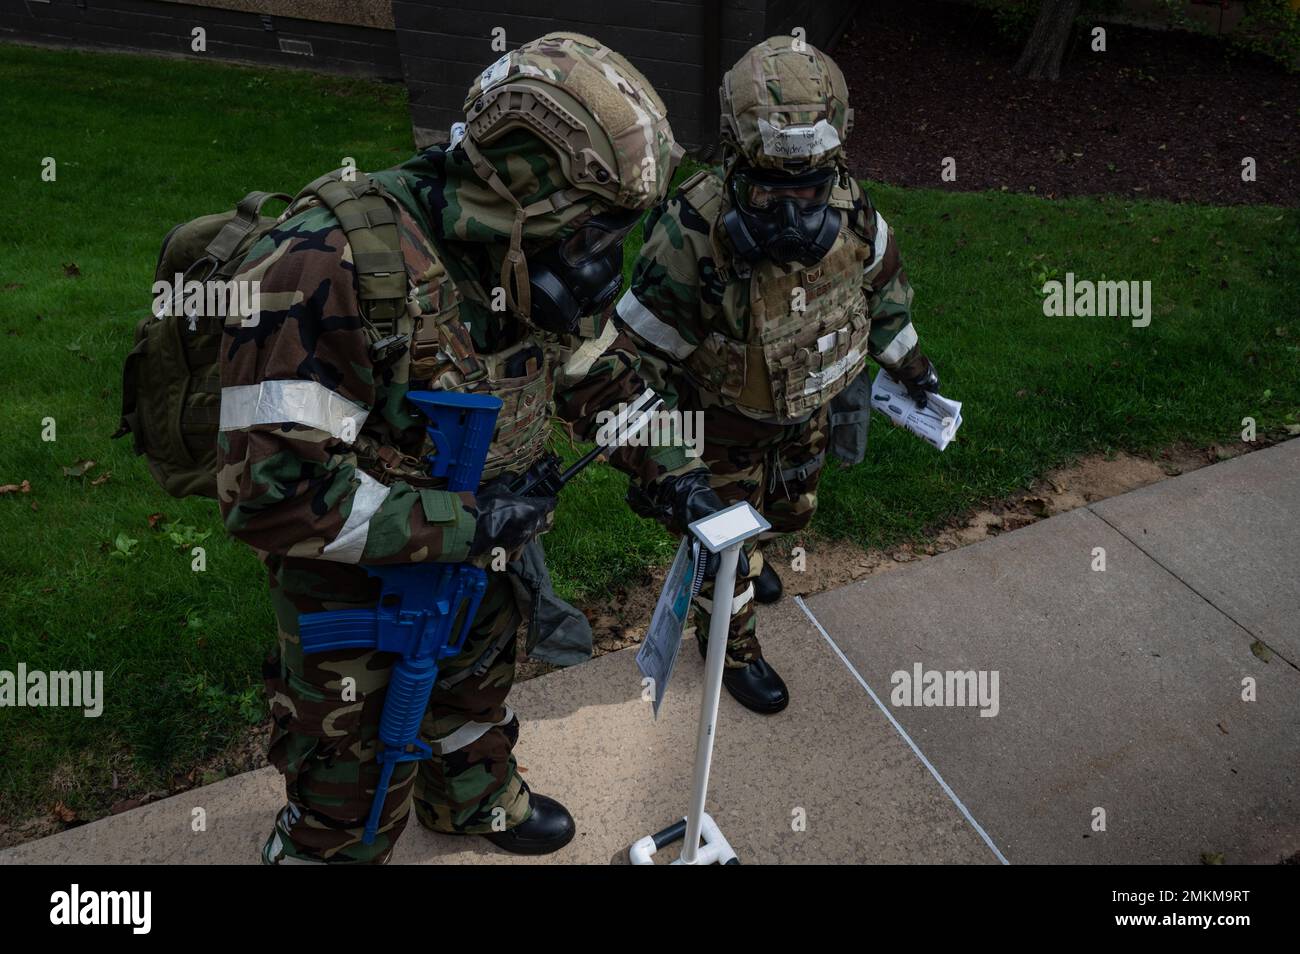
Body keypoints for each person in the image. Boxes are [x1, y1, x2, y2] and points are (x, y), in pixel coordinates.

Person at [217, 32, 679, 864]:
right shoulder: (324, 266)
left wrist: (678, 478)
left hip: (480, 556)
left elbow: (591, 370)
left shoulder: (522, 254)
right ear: (516, 192)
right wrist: (465, 522)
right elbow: (271, 493)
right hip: (353, 586)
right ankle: (326, 846)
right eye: (590, 236)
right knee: (349, 764)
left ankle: (471, 800)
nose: (600, 266)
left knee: (477, 688)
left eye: (614, 238)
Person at [611, 35, 942, 714]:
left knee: (790, 513)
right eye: (768, 194)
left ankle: (753, 559)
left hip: (807, 411)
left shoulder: (852, 211)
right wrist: (665, 468)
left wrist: (910, 362)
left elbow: (883, 293)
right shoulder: (692, 236)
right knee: (726, 549)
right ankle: (730, 643)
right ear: (736, 159)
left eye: (809, 189)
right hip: (720, 428)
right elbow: (627, 360)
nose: (793, 212)